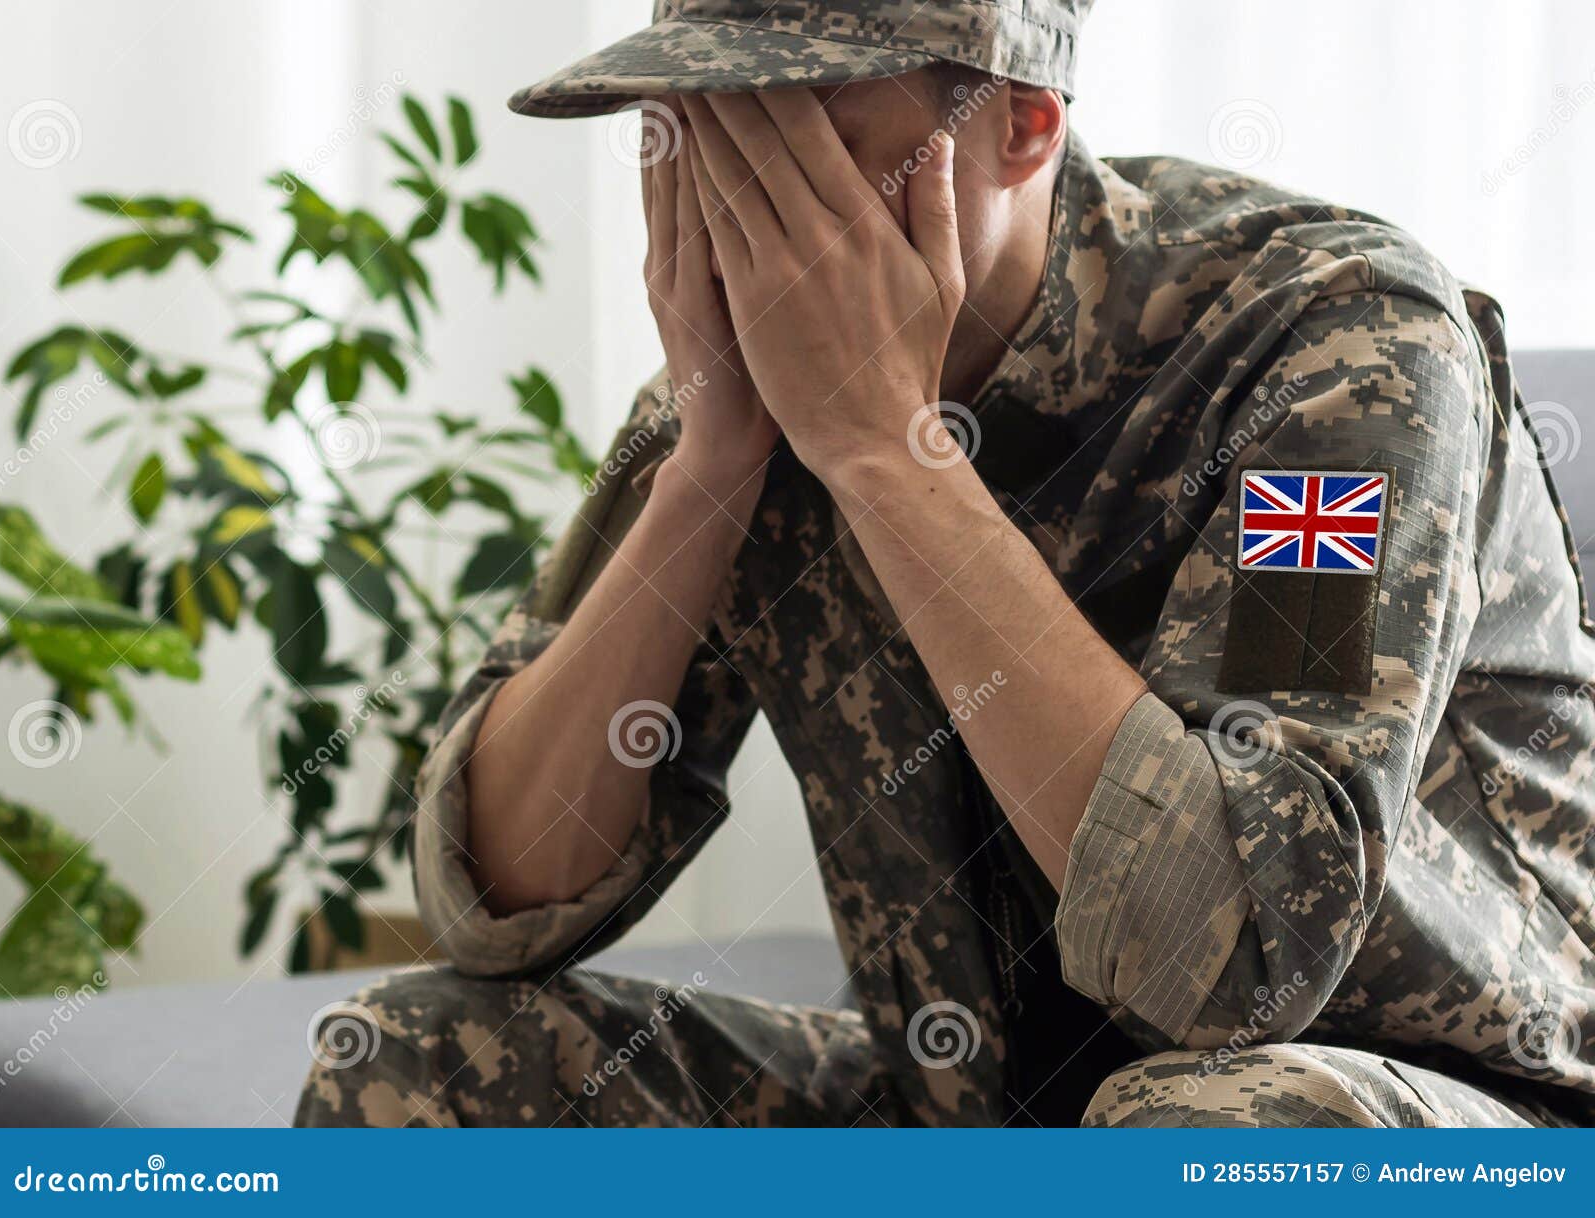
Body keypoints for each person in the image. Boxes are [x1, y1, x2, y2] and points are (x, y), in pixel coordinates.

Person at [297, 0, 1595, 1127]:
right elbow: (493, 899)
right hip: (973, 1114)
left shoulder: (1337, 345)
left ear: (1022, 124)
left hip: (1440, 1113)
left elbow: (1237, 956)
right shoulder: (737, 399)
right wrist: (712, 464)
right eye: (706, 147)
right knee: (417, 1055)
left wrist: (887, 450)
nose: (755, 225)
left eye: (809, 151)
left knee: (1213, 1127)